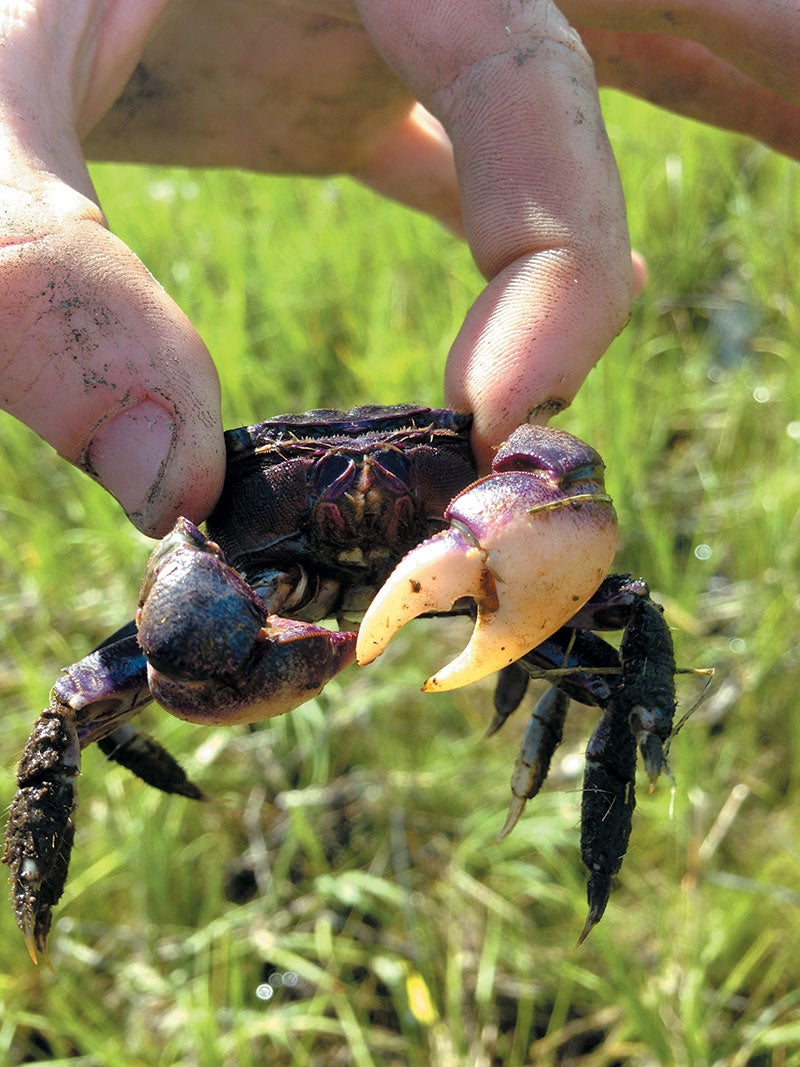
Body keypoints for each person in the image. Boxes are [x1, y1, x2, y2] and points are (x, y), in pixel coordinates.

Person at [1, 1, 798, 537]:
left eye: (400, 458)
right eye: (330, 477)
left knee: (622, 628)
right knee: (76, 708)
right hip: (247, 550)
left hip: (473, 542)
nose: (364, 487)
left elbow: (571, 500)